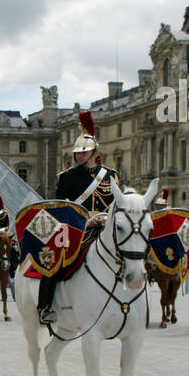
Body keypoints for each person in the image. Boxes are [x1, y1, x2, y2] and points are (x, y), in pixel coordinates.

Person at [36, 112, 119, 325]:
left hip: (106, 225)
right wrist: (86, 222)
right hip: (77, 228)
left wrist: (106, 219)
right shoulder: (67, 177)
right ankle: (44, 306)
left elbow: (118, 205)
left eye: (84, 153)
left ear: (94, 152)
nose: (79, 157)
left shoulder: (110, 176)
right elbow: (60, 209)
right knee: (54, 257)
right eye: (77, 154)